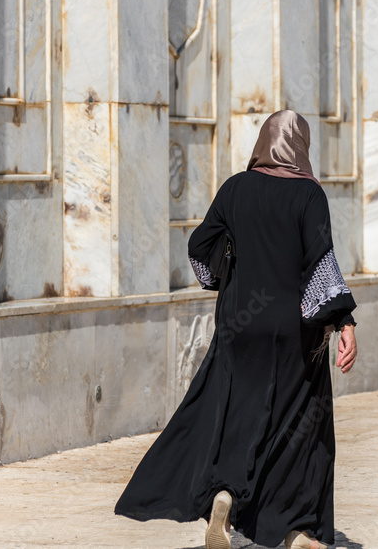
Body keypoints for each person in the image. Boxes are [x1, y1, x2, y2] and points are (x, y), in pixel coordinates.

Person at [114, 110, 359, 549]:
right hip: (294, 333)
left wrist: (228, 276)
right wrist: (343, 321)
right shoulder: (309, 196)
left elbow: (199, 245)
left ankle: (225, 494)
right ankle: (297, 527)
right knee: (300, 424)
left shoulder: (235, 188)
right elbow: (320, 263)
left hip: (238, 327)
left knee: (238, 416)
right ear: (301, 146)